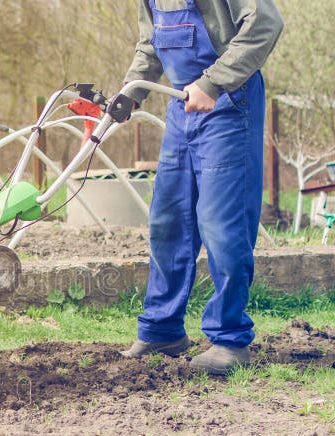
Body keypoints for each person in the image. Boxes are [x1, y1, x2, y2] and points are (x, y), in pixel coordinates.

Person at [119, 0, 284, 374]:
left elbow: (266, 23)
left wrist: (213, 82)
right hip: (182, 106)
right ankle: (162, 328)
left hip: (229, 101)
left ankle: (229, 340)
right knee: (168, 221)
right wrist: (129, 93)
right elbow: (151, 44)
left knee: (222, 225)